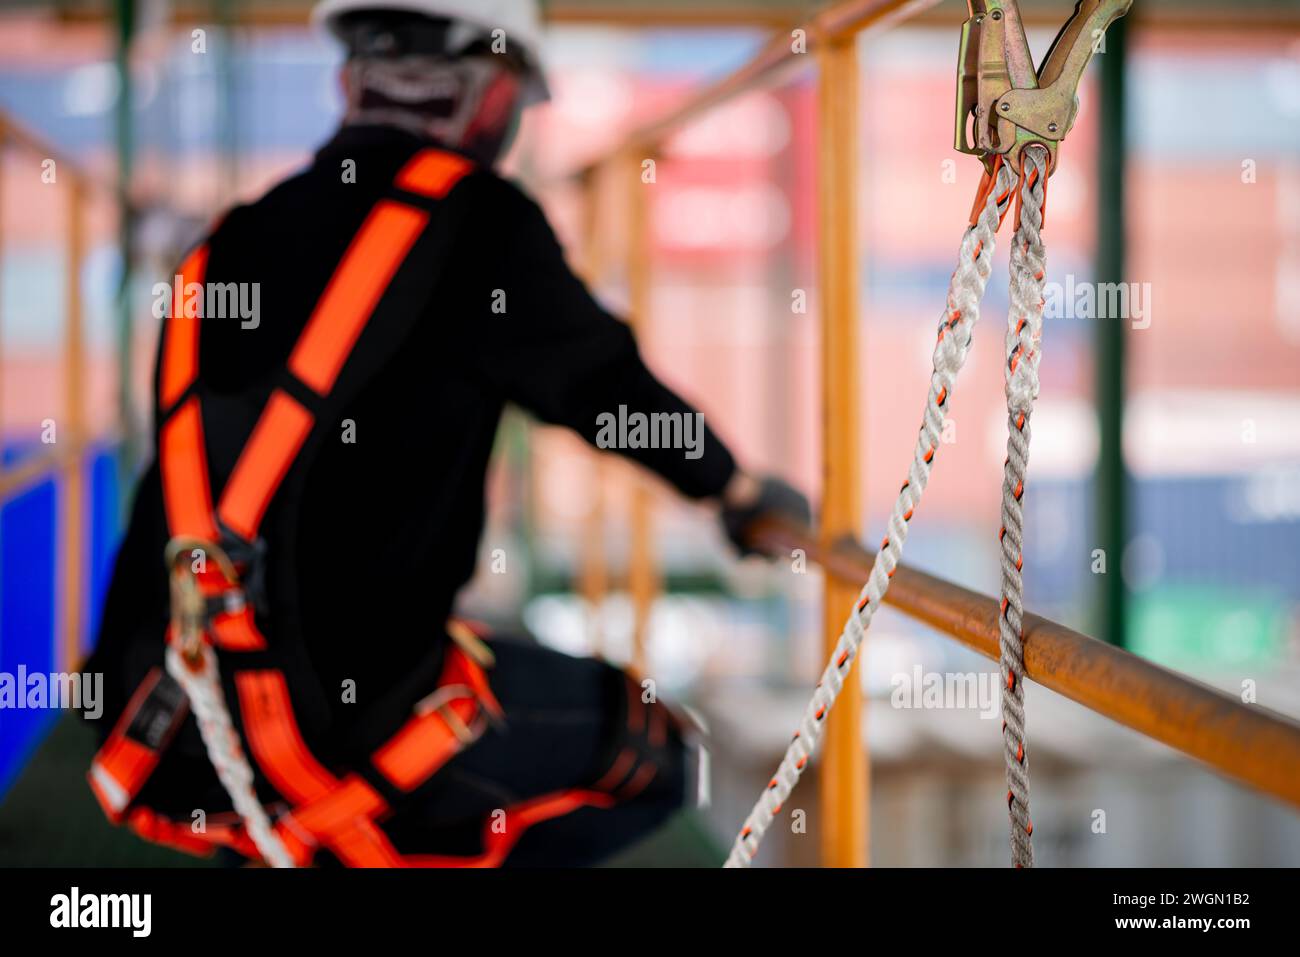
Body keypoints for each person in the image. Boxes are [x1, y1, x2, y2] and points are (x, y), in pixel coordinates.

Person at [83, 0, 809, 867]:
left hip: (158, 721)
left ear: (350, 79)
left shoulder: (227, 241)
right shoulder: (482, 224)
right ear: (492, 97)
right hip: (334, 730)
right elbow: (610, 392)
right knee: (659, 756)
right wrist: (734, 490)